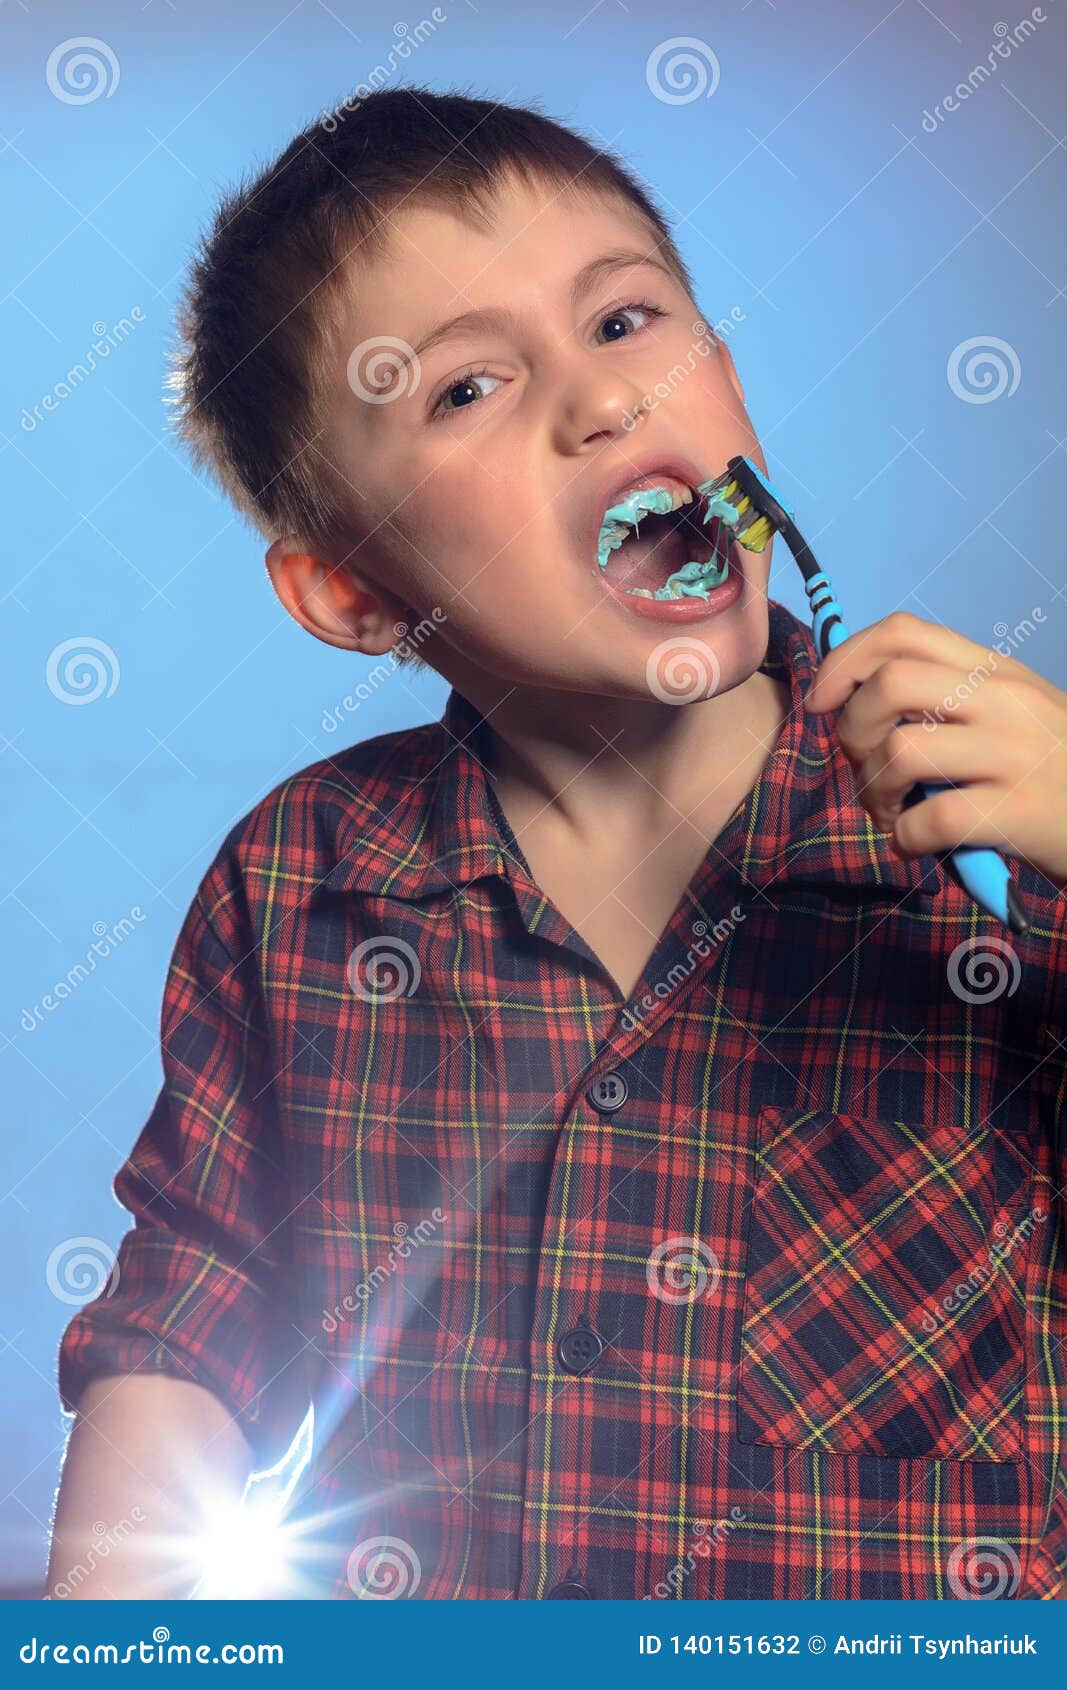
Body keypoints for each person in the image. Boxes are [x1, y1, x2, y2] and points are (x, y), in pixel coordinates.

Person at [48, 86, 1067, 1601]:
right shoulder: (303, 883)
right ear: (355, 594)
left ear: (727, 376)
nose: (599, 403)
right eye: (466, 388)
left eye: (626, 321)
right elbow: (195, 1313)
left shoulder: (1014, 835)